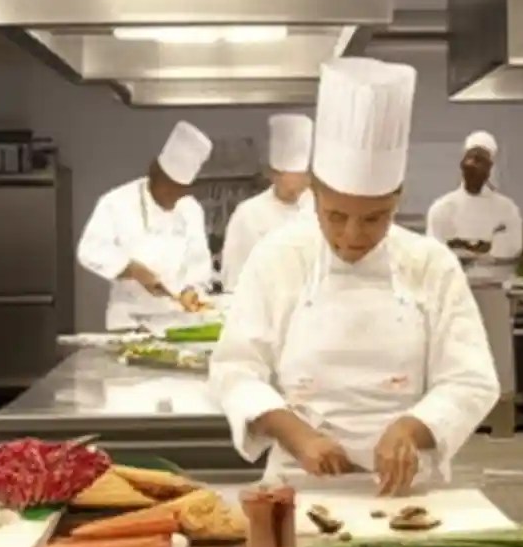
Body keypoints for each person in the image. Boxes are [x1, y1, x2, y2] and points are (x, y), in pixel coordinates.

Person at [209, 57, 500, 496]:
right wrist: (296, 433)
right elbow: (236, 369)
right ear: (315, 194)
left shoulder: (430, 264)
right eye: (336, 215)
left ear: (398, 200)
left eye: (374, 218)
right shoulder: (278, 258)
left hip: (409, 491)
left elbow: (471, 378)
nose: (351, 236)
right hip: (300, 486)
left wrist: (413, 427)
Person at [78, 122, 215, 330]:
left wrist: (190, 290)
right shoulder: (116, 202)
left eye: (180, 192)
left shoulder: (190, 209)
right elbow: (89, 250)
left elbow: (198, 262)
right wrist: (132, 269)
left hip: (175, 321)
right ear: (155, 176)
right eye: (169, 191)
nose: (174, 199)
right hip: (127, 321)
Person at [220, 114, 314, 291]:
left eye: (302, 176)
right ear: (273, 174)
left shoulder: (319, 210)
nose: (298, 184)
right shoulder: (249, 213)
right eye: (288, 176)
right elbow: (235, 275)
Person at [425, 130, 523, 284]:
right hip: (453, 286)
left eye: (480, 160)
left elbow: (512, 248)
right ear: (462, 164)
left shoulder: (507, 208)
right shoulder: (443, 207)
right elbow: (436, 251)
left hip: (495, 286)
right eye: (470, 158)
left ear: (490, 168)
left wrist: (461, 246)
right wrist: (482, 249)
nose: (473, 165)